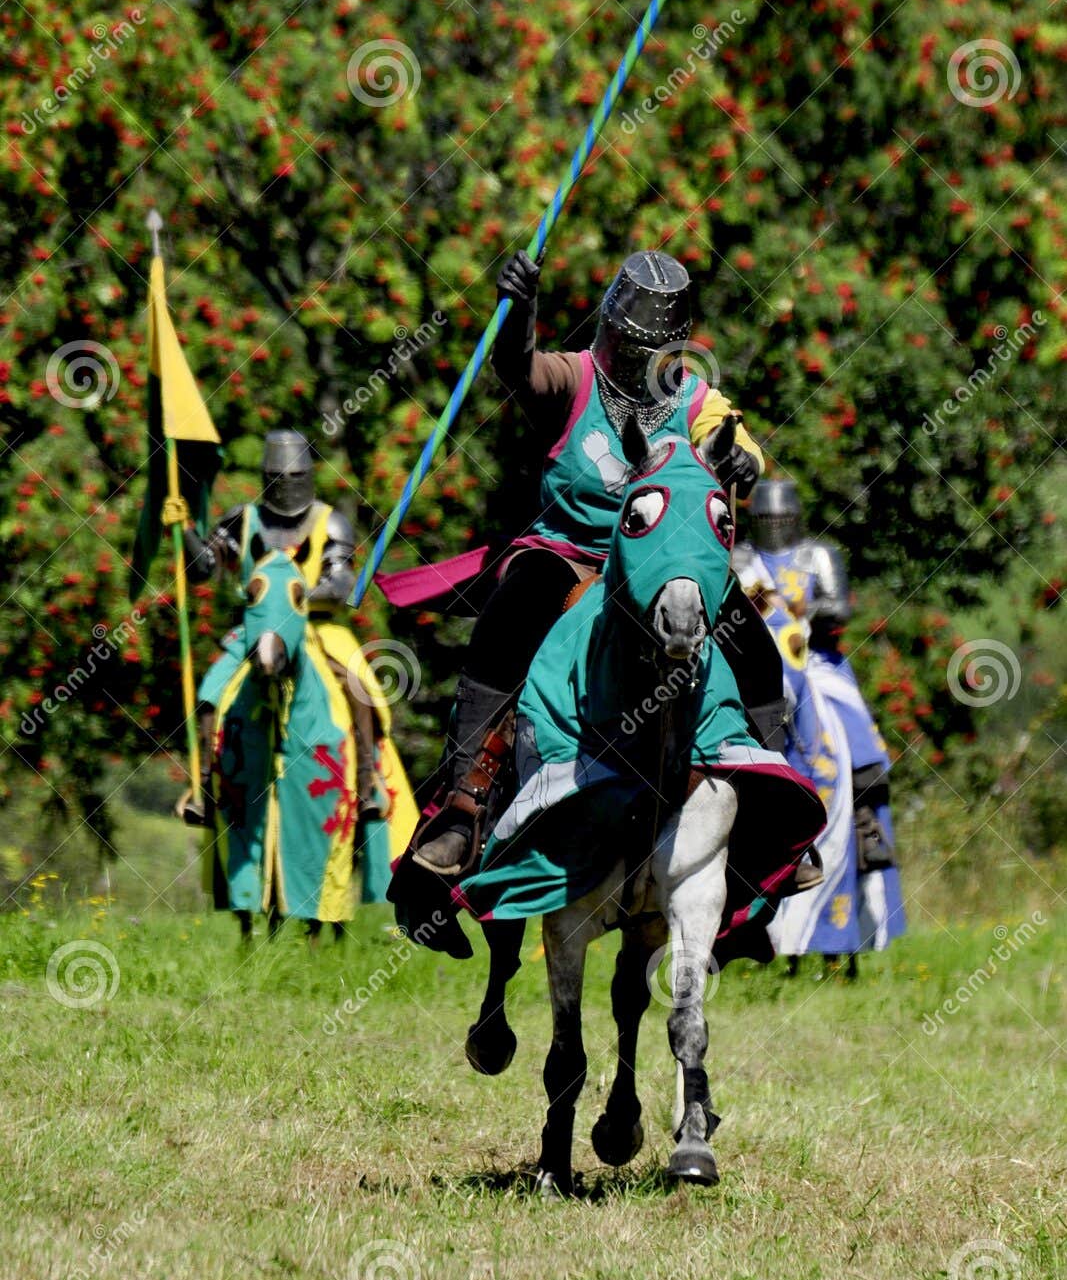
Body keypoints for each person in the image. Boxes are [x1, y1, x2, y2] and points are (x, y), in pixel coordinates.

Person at [410, 247, 773, 878]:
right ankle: (462, 808)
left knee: (753, 643)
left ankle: (765, 808)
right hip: (569, 558)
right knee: (512, 610)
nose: (636, 361)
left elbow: (734, 435)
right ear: (608, 329)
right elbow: (515, 366)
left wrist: (744, 460)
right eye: (630, 346)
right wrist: (519, 309)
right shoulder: (573, 378)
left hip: (659, 570)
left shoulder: (694, 401)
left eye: (650, 350)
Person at [180, 430, 416, 900]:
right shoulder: (243, 520)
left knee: (359, 687)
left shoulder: (331, 522)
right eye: (275, 477)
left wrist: (296, 594)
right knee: (209, 693)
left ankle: (368, 780)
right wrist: (184, 527)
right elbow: (205, 567)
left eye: (292, 476)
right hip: (255, 632)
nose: (284, 485)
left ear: (307, 476)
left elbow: (342, 579)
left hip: (316, 630)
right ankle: (204, 790)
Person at [733, 478, 898, 882]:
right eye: (765, 518)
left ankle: (862, 816)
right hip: (755, 663)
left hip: (815, 660)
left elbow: (839, 608)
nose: (773, 525)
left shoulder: (818, 556)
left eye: (781, 518)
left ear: (794, 518)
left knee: (849, 712)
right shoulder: (739, 558)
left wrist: (803, 609)